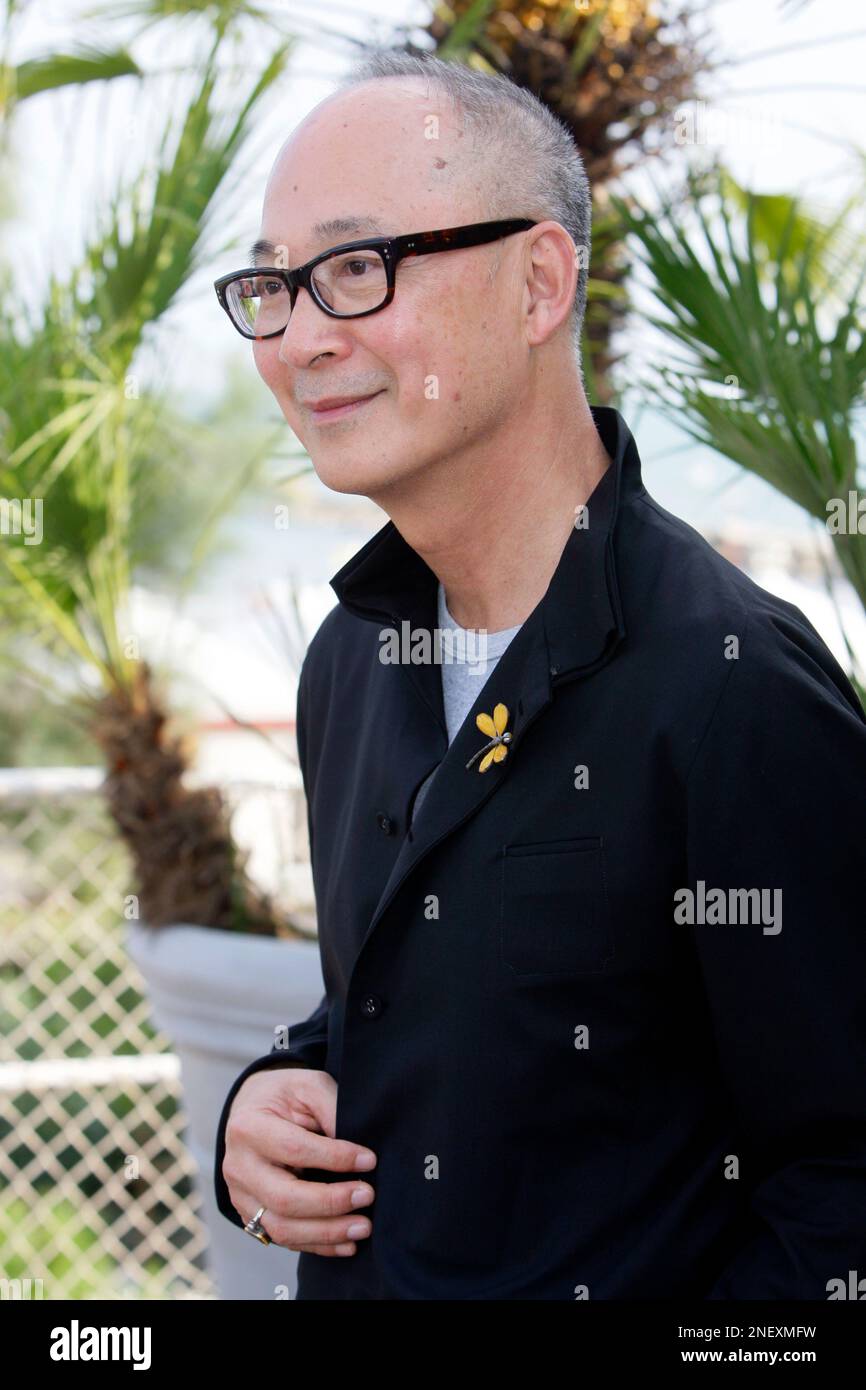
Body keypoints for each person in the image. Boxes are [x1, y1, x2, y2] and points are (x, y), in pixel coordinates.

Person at [212, 48, 866, 1300]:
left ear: (537, 284)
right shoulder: (349, 656)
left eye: (355, 270)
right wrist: (274, 1093)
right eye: (271, 285)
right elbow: (420, 995)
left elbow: (838, 1189)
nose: (297, 339)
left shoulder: (734, 685)